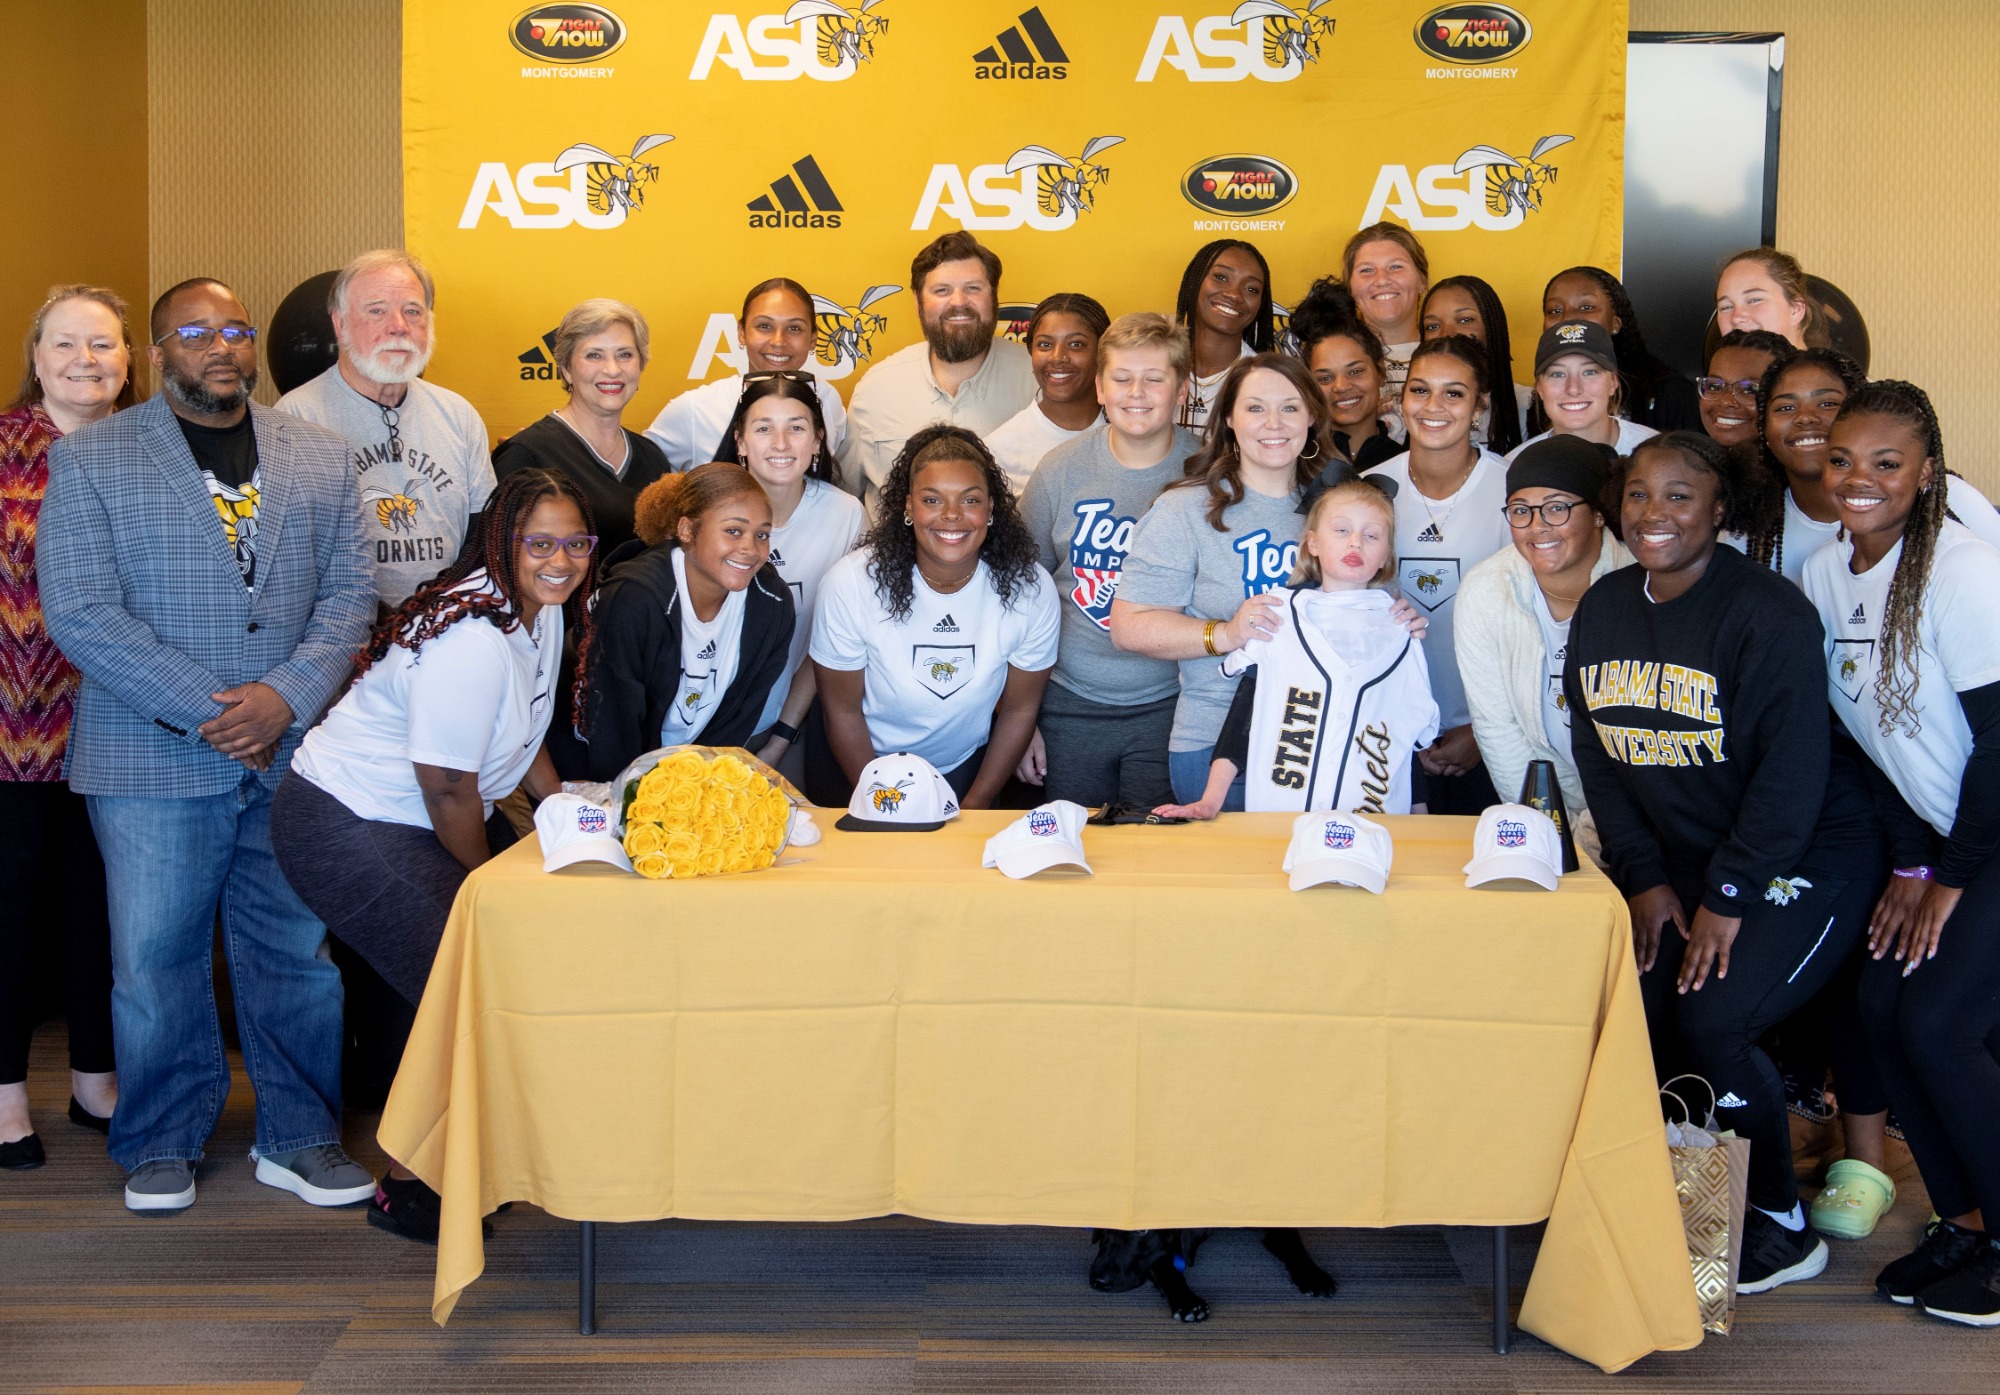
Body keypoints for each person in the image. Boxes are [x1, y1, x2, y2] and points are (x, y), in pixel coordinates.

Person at [38, 278, 378, 1214]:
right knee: (155, 960)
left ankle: (300, 1136)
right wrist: (214, 710)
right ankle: (159, 1139)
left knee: (295, 954)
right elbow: (82, 614)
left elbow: (351, 595)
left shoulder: (319, 453)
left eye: (235, 329)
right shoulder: (95, 460)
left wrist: (283, 698)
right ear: (157, 353)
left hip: (290, 749)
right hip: (151, 755)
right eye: (194, 331)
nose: (219, 345)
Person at [1565, 431, 1880, 1296]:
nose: (1653, 514)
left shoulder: (1768, 613)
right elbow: (1598, 753)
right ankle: (1706, 1210)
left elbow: (1792, 776)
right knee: (1645, 1011)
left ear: (1719, 510)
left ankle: (1778, 1221)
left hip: (1807, 855)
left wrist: (1730, 896)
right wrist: (1646, 878)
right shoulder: (1604, 607)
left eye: (1677, 496)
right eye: (1637, 495)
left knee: (1713, 1020)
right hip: (1685, 864)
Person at [273, 468, 593, 1242]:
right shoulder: (474, 637)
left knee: (481, 977)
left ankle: (470, 1158)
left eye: (575, 542)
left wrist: (559, 812)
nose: (561, 559)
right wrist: (486, 884)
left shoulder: (537, 608)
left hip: (414, 815)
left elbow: (522, 730)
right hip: (350, 822)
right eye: (539, 543)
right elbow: (448, 786)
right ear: (500, 543)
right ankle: (409, 1188)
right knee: (468, 980)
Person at [1803, 382, 2000, 1322]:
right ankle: (1961, 1220)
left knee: (1939, 1024)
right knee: (1881, 1007)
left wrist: (1950, 879)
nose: (1859, 480)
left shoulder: (1962, 571)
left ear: (1927, 476)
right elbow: (1870, 742)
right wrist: (1915, 865)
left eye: (1887, 464)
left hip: (1994, 834)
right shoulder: (1826, 574)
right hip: (1945, 839)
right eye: (1842, 459)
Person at [0, 286, 136, 1170]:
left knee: (104, 907)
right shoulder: (7, 448)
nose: (86, 359)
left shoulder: (151, 448)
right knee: (10, 912)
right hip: (13, 726)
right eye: (66, 344)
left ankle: (96, 1077)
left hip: (125, 719)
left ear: (131, 359)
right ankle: (5, 1096)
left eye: (104, 344)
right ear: (37, 356)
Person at [1111, 355, 1337, 808]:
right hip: (1213, 745)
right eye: (1255, 408)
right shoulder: (1185, 510)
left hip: (1326, 743)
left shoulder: (1342, 505)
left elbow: (1374, 604)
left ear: (1312, 417)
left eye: (1290, 408)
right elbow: (1129, 627)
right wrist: (1227, 633)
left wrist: (1397, 616)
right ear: (1229, 418)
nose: (1273, 423)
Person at [1158, 478, 1438, 817]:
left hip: (1371, 826)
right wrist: (1210, 801)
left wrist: (1422, 821)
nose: (1355, 543)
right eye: (1341, 530)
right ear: (1313, 544)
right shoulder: (1278, 614)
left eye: (1371, 535)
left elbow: (1402, 741)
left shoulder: (1404, 631)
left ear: (1385, 557)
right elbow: (1243, 717)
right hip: (1281, 820)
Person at [810, 425, 1058, 808]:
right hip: (858, 765)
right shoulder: (851, 583)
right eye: (932, 500)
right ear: (909, 507)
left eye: (970, 500)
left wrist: (974, 807)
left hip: (965, 767)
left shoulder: (1030, 588)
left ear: (991, 508)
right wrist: (882, 803)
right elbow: (841, 710)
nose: (952, 516)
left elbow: (1019, 709)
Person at [1017, 312, 1199, 809]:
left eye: (1154, 378)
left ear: (1181, 390)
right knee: (1072, 855)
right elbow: (1015, 593)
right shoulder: (1059, 470)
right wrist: (1020, 718)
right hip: (1068, 703)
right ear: (1099, 387)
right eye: (1121, 378)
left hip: (1172, 703)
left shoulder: (1209, 474)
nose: (1136, 392)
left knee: (1151, 857)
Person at [276, 249, 497, 608]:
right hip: (343, 637)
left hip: (442, 628)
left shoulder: (459, 415)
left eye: (412, 311)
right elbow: (291, 556)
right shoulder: (296, 417)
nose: (398, 325)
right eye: (377, 310)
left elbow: (482, 535)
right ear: (340, 324)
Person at [1455, 436, 1631, 852]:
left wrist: (1600, 835)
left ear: (1599, 514)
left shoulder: (1638, 585)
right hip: (1539, 811)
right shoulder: (1486, 589)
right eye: (1521, 511)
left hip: (1640, 817)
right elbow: (1498, 730)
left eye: (1557, 507)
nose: (1537, 526)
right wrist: (1547, 836)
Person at [1365, 336, 1513, 813]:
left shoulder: (1514, 487)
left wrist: (1480, 728)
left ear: (1479, 408)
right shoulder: (1370, 489)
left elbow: (1531, 627)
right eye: (1420, 390)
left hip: (1493, 735)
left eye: (1454, 393)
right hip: (1386, 735)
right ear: (1400, 399)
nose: (1434, 406)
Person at [582, 464, 794, 781]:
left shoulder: (772, 603)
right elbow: (612, 728)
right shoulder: (634, 600)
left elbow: (738, 719)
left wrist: (699, 791)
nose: (751, 549)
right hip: (605, 779)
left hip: (695, 782)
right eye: (733, 531)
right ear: (686, 530)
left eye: (761, 534)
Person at [710, 375, 865, 768]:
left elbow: (830, 640)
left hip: (792, 720)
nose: (780, 444)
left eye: (796, 428)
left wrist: (781, 735)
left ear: (816, 442)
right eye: (763, 429)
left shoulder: (846, 515)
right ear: (741, 442)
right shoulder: (703, 510)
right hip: (700, 723)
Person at [1743, 348, 2000, 582]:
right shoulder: (1755, 523)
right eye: (1786, 407)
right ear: (1763, 428)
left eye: (1828, 404)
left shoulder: (1952, 501)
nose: (1806, 417)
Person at [840, 233, 1036, 511]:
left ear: (994, 297)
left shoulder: (1037, 383)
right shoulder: (876, 388)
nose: (959, 302)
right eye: (942, 290)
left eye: (973, 288)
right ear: (918, 302)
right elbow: (842, 498)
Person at [492, 298, 670, 556]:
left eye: (625, 355)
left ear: (641, 365)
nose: (612, 369)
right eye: (594, 355)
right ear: (566, 369)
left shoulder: (653, 458)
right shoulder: (527, 454)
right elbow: (499, 557)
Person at [643, 277, 848, 472]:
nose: (778, 341)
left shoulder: (827, 399)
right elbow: (641, 477)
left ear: (813, 338)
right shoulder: (696, 409)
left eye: (794, 328)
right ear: (741, 332)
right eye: (764, 326)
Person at [1537, 266, 1701, 433]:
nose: (1569, 318)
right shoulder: (1546, 394)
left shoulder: (1667, 391)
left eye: (1586, 308)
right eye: (1555, 310)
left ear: (1615, 323)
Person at [983, 293, 1107, 491]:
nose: (1057, 358)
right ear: (1031, 351)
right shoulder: (999, 452)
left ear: (1102, 352)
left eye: (1076, 344)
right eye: (1045, 345)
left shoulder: (1132, 431)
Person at [1290, 278, 1398, 470]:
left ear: (1380, 372)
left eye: (1355, 371)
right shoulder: (1292, 462)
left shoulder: (1408, 463)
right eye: (1325, 378)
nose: (1341, 386)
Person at [1511, 321, 1659, 459]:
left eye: (1589, 372)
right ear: (1540, 388)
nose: (1574, 389)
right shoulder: (1513, 465)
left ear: (1613, 383)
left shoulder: (1657, 453)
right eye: (1558, 374)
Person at [1421, 274, 1526, 454]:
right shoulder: (1414, 405)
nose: (1447, 333)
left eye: (1465, 320)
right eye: (1432, 326)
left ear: (1492, 326)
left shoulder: (1528, 407)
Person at [1173, 240, 1272, 430]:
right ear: (1194, 281)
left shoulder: (1266, 380)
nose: (1234, 295)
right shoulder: (1157, 364)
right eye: (1221, 277)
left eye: (1251, 289)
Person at [1341, 222, 1429, 408]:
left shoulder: (1452, 355)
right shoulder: (1330, 360)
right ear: (1350, 288)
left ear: (1422, 280)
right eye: (1366, 270)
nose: (1381, 280)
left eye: (1396, 267)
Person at [1697, 329, 1792, 449]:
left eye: (1749, 390)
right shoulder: (1684, 463)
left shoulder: (1807, 466)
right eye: (1714, 386)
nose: (1726, 401)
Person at [1715, 247, 1825, 348]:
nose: (1736, 318)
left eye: (1754, 300)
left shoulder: (1824, 369)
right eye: (1726, 307)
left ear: (1796, 309)